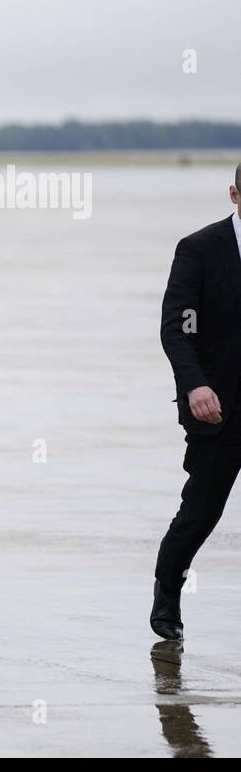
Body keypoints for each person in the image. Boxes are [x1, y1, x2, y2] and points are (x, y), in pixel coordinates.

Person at [152, 163, 241, 640]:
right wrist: (195, 385)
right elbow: (176, 328)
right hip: (217, 406)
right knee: (201, 512)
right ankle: (167, 593)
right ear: (234, 194)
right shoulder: (200, 249)